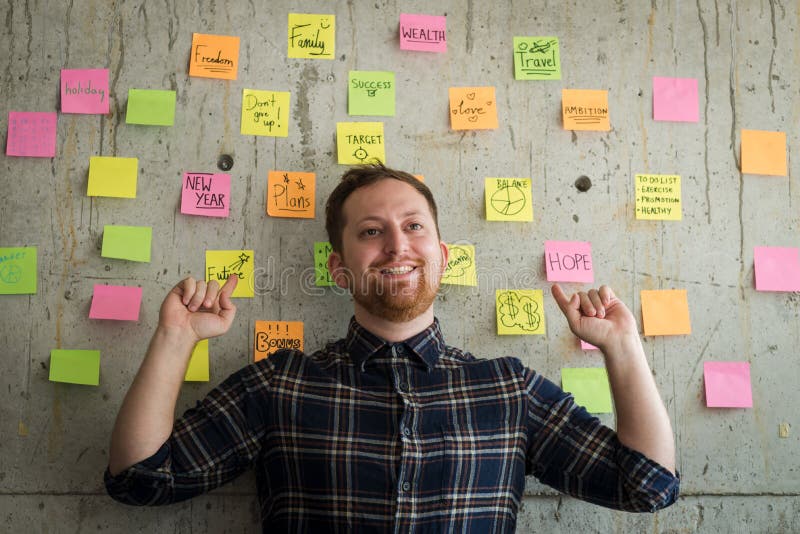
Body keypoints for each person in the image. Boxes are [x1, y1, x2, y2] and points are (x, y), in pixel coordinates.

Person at [105, 164, 679, 531]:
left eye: (414, 226)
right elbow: (140, 480)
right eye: (371, 231)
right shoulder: (281, 383)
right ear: (338, 267)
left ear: (443, 254)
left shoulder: (509, 388)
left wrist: (623, 347)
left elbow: (647, 487)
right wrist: (175, 338)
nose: (397, 245)